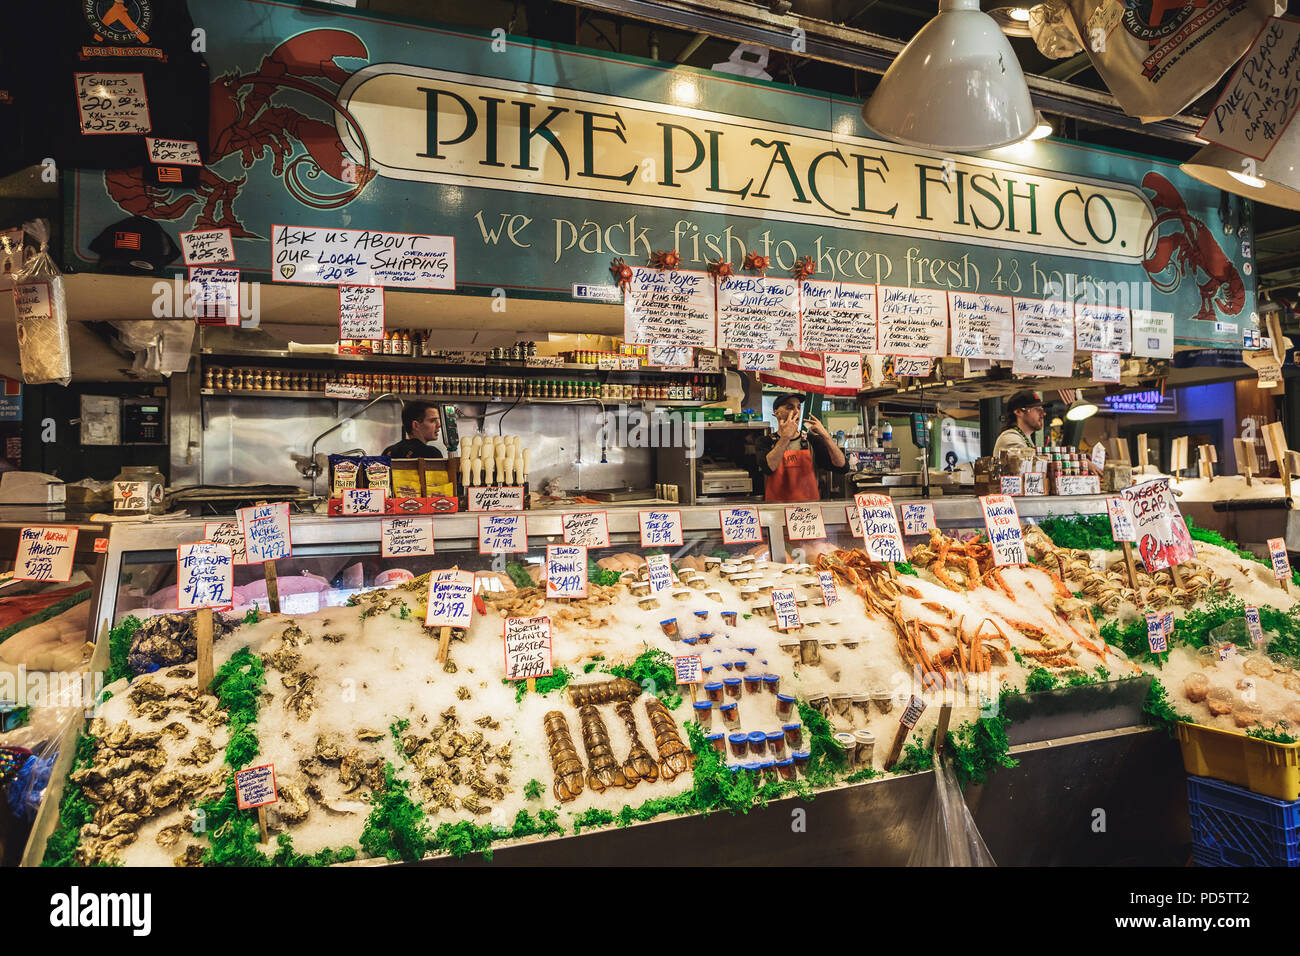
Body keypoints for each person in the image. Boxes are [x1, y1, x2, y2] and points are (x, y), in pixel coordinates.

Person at [757, 392, 849, 502]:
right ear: (777, 413)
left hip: (808, 513)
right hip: (776, 512)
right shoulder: (765, 442)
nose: (796, 411)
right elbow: (769, 468)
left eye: (799, 407)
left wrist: (826, 436)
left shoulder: (812, 441)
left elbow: (842, 466)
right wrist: (785, 437)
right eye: (790, 407)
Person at [382, 401, 447, 458]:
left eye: (438, 420)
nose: (439, 425)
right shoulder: (432, 453)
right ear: (416, 425)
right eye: (432, 421)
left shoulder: (388, 452)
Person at [993, 390, 1044, 457]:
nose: (1043, 414)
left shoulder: (1023, 437)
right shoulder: (1010, 439)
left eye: (1042, 409)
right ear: (1018, 412)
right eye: (1036, 409)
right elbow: (1030, 465)